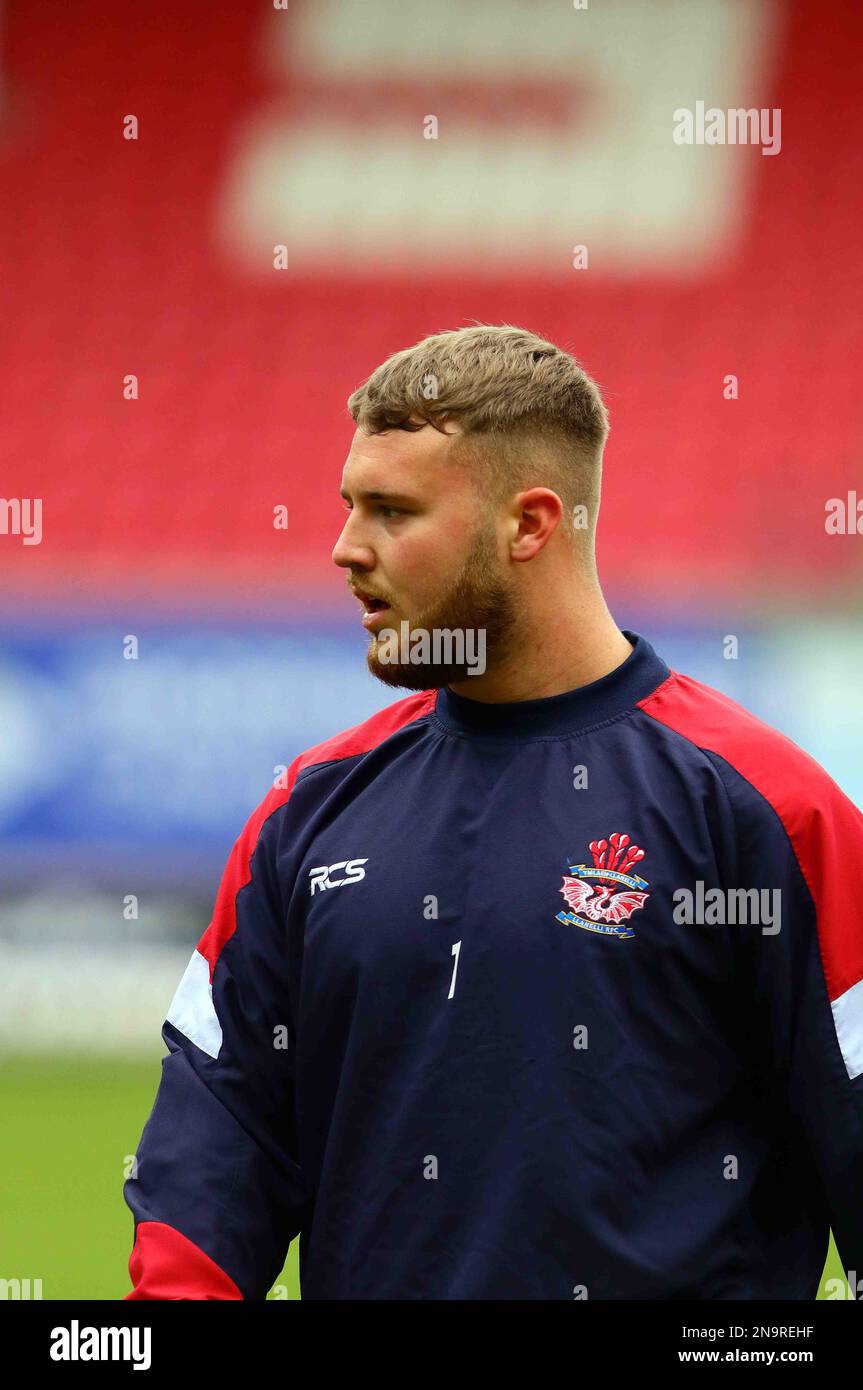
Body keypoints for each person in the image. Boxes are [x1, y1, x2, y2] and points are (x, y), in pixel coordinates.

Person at [124, 324, 863, 1300]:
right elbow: (216, 1145)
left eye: (391, 510)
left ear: (529, 524)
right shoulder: (307, 811)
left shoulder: (765, 811)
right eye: (349, 505)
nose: (344, 548)